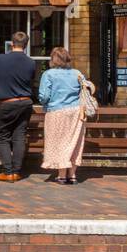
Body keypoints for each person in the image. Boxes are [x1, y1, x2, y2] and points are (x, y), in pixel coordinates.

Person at [0, 31, 36, 182]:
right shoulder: (31, 62)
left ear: (12, 43)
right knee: (19, 136)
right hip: (25, 103)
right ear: (26, 45)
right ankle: (16, 172)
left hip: (7, 103)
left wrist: (4, 82)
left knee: (2, 137)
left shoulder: (0, 59)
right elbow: (30, 80)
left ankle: (8, 172)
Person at [39, 47, 89, 184]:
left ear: (53, 59)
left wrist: (44, 102)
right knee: (75, 142)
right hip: (76, 112)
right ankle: (72, 175)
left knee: (58, 142)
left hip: (56, 112)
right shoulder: (77, 73)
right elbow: (85, 90)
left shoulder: (48, 74)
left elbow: (44, 96)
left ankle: (61, 175)